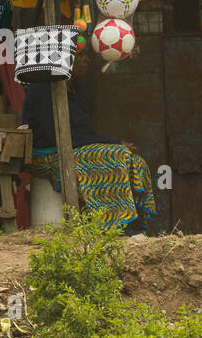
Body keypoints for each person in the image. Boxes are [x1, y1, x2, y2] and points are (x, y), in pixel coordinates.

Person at [21, 59, 155, 230]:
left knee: (134, 160)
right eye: (79, 54)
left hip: (75, 147)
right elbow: (57, 137)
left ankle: (133, 224)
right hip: (48, 153)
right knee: (115, 156)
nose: (85, 60)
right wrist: (111, 143)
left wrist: (113, 143)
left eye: (85, 54)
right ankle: (113, 225)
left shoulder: (78, 88)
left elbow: (85, 134)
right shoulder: (42, 87)